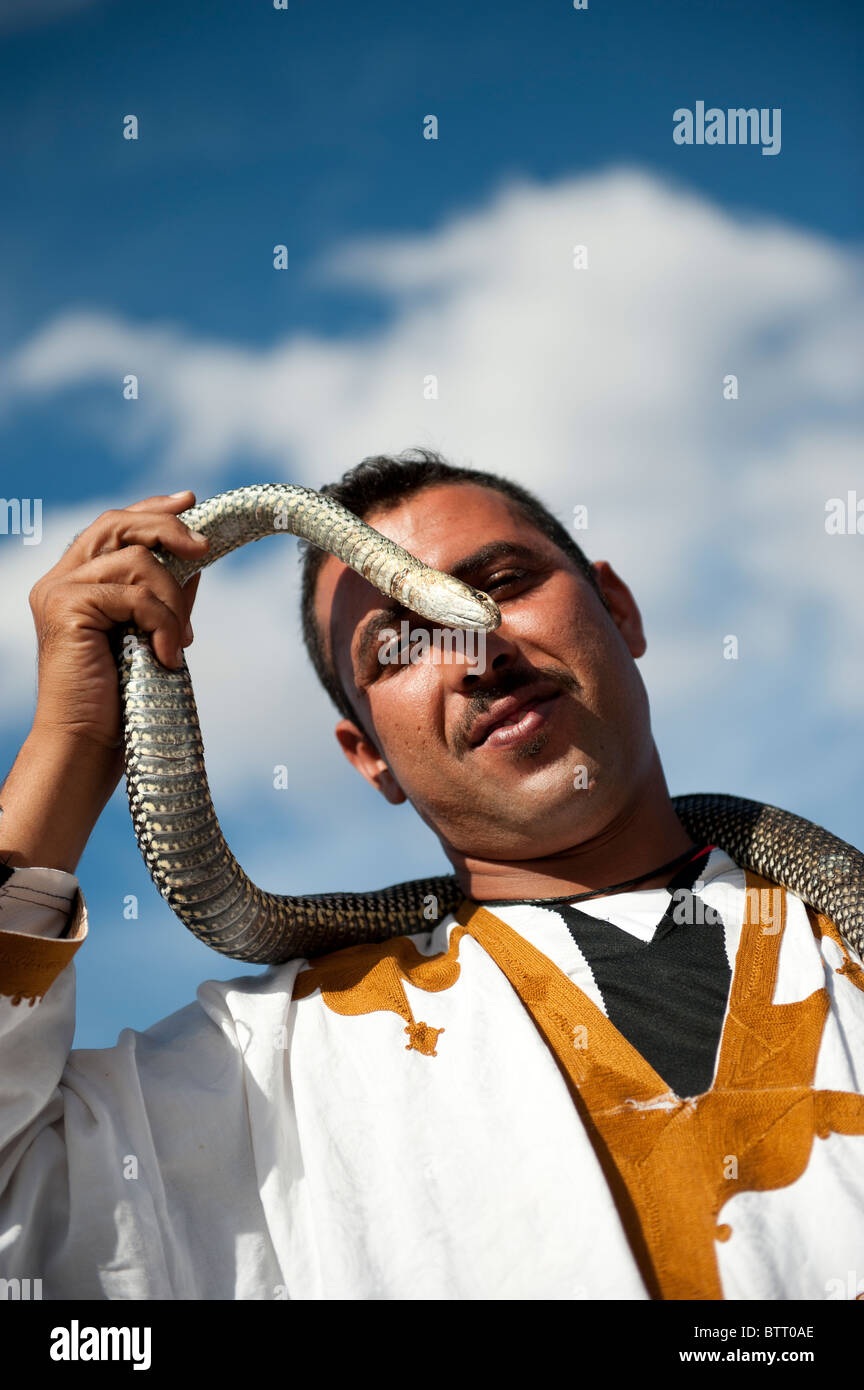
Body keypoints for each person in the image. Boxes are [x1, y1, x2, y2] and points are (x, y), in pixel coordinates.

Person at [1, 449, 863, 1301]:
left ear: (620, 609)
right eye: (400, 647)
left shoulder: (844, 931)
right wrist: (68, 746)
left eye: (505, 584)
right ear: (368, 756)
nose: (474, 651)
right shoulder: (263, 1077)